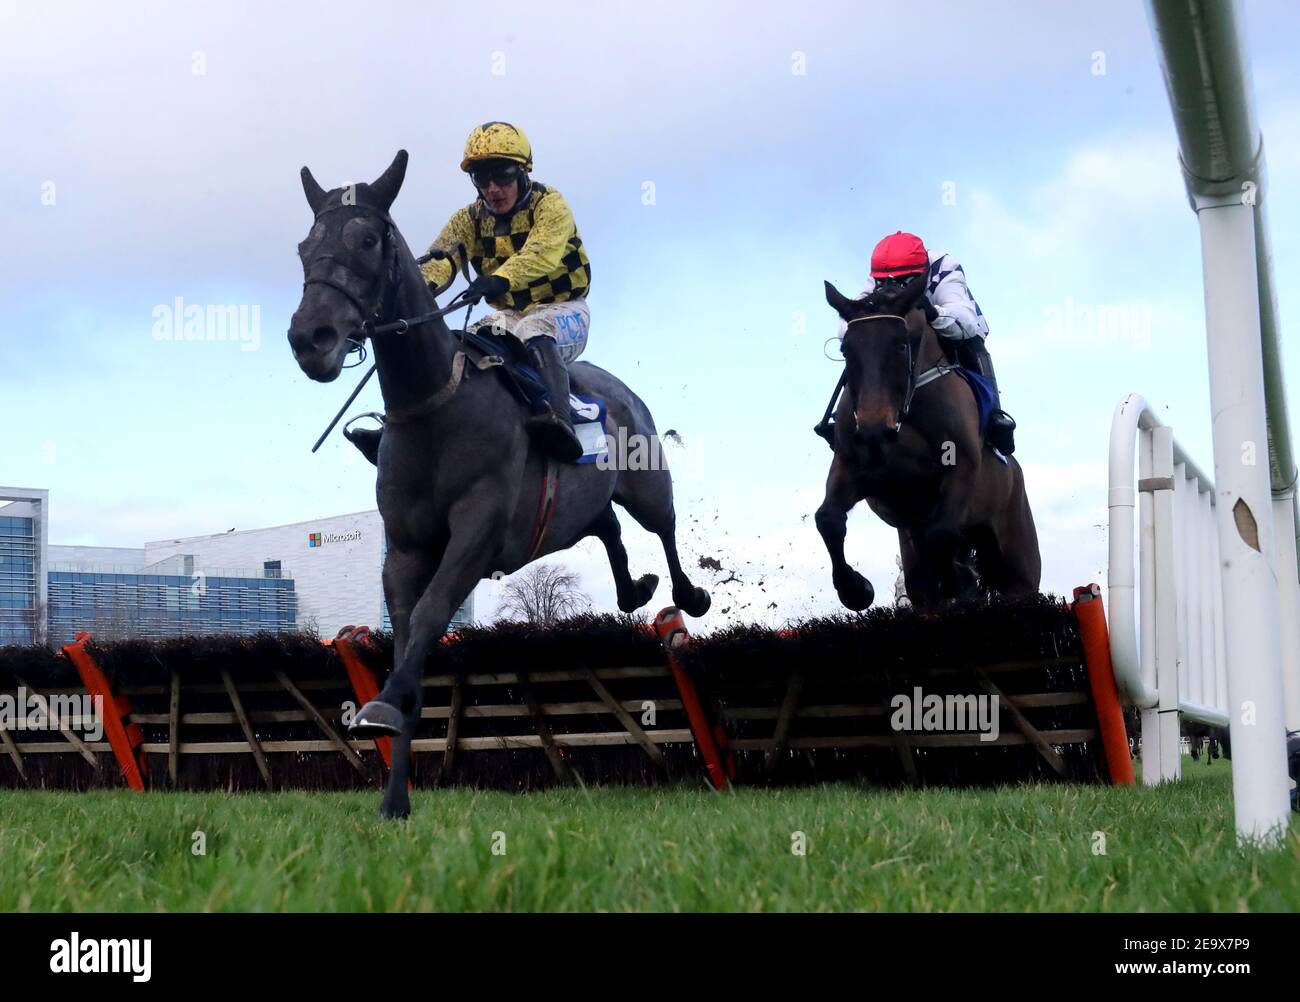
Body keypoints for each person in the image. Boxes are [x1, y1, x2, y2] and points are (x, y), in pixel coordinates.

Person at [420, 121, 591, 462]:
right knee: (460, 343)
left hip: (564, 309)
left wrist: (500, 278)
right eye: (483, 179)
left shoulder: (550, 205)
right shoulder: (466, 220)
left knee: (532, 328)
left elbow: (541, 252)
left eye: (503, 175)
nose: (494, 188)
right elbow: (442, 261)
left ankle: (561, 420)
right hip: (509, 314)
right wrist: (417, 290)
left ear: (523, 171)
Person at [815, 231, 1016, 455]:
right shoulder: (879, 276)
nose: (892, 285)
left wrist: (933, 313)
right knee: (867, 345)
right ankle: (844, 417)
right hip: (904, 333)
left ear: (922, 270)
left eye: (903, 280)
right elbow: (846, 326)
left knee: (973, 344)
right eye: (885, 281)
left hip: (957, 331)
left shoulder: (944, 267)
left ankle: (995, 418)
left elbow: (966, 320)